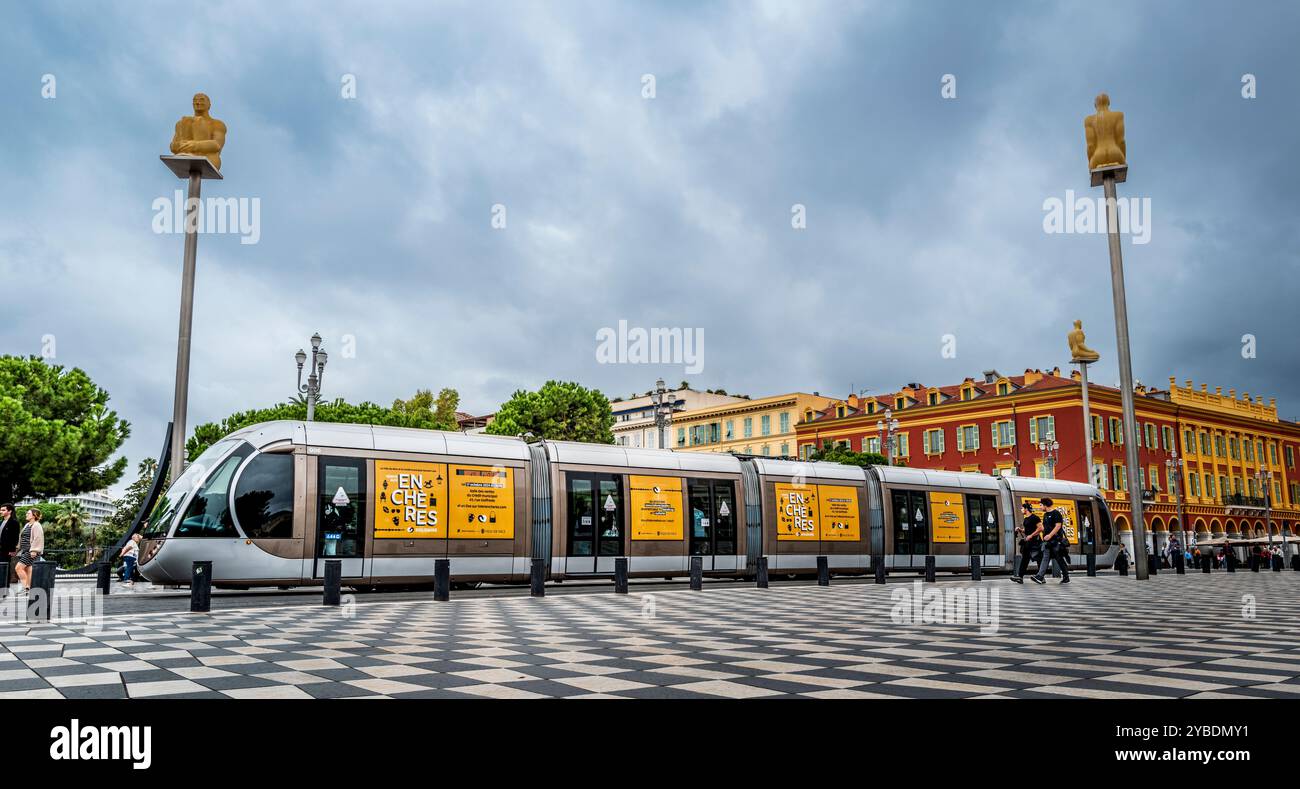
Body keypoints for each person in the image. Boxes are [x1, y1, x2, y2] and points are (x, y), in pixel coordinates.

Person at [1032, 498, 1070, 584]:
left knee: (1059, 559)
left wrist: (1050, 535)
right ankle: (1040, 576)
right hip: (1047, 542)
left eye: (1041, 505)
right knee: (1045, 558)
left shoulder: (1056, 513)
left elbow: (1058, 526)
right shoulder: (1045, 515)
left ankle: (1066, 577)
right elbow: (1046, 528)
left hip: (1056, 541)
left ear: (1045, 505)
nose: (1040, 507)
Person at [13, 508, 45, 596]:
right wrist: (17, 548)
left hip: (31, 551)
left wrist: (34, 550)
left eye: (28, 513)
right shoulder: (27, 525)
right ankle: (28, 588)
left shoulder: (36, 525)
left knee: (18, 568)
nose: (26, 514)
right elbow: (22, 537)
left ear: (34, 515)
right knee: (28, 570)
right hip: (25, 550)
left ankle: (25, 588)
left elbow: (38, 538)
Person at [1011, 502, 1041, 584]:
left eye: (1022, 508)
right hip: (1028, 542)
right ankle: (1020, 577)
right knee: (1025, 558)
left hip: (1035, 541)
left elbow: (1040, 528)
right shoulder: (1026, 519)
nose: (1021, 509)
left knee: (1038, 559)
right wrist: (1020, 530)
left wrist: (1031, 535)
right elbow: (1027, 530)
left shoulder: (1035, 518)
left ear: (1026, 509)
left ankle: (1041, 576)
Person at [0, 503, 20, 587]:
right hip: (0, 549)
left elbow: (15, 537)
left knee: (5, 568)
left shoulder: (14, 523)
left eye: (3, 510)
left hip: (7, 550)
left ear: (10, 511)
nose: (0, 511)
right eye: (1, 510)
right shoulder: (1, 522)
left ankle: (5, 587)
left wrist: (12, 550)